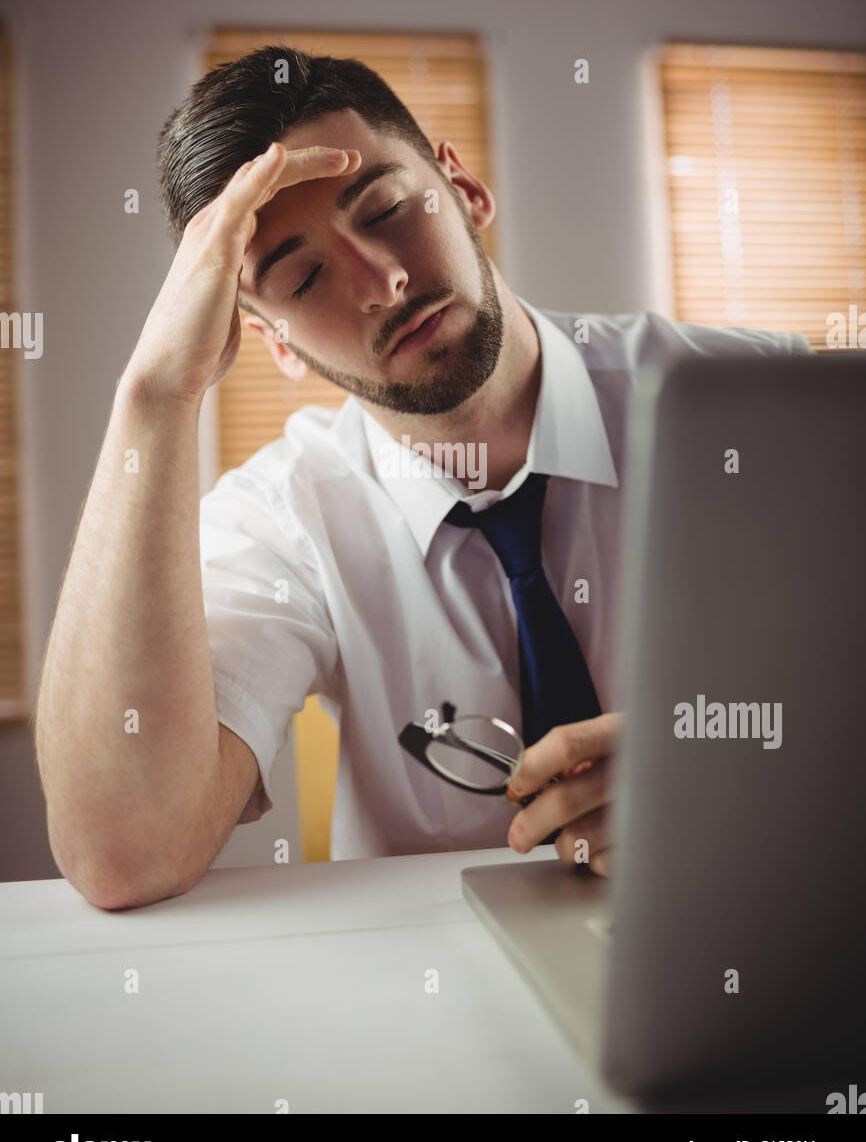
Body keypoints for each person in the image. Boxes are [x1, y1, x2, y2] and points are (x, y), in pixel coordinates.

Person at [34, 46, 809, 908]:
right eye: (302, 277)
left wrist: (749, 768)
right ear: (275, 345)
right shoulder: (285, 518)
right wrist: (153, 400)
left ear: (464, 190)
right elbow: (124, 853)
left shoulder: (769, 401)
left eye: (389, 208)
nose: (383, 281)